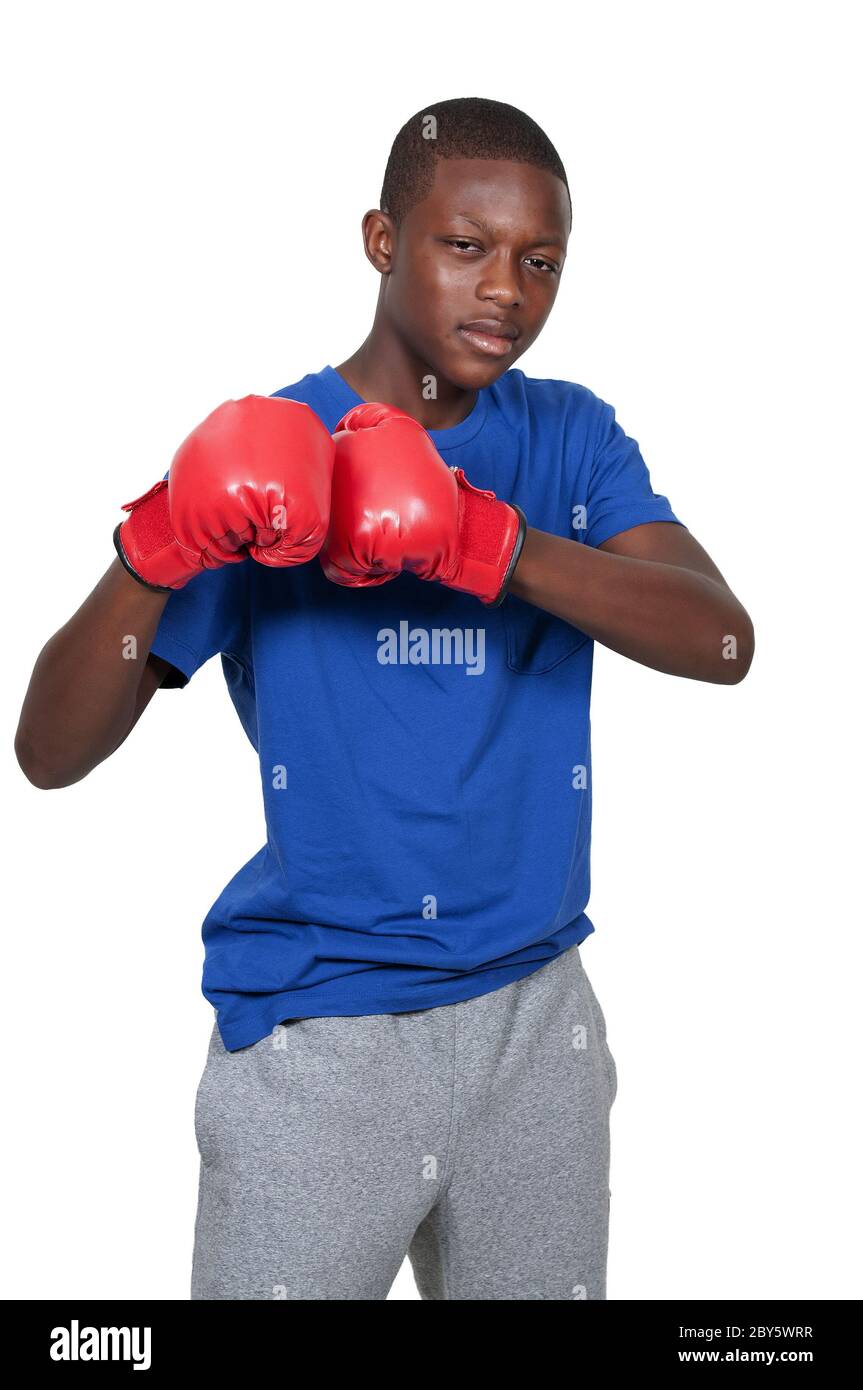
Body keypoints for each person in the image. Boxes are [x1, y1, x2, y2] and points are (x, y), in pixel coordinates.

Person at [15, 96, 754, 1301]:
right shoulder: (272, 455)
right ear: (381, 239)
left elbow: (721, 640)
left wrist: (487, 542)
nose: (506, 289)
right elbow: (47, 751)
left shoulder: (567, 439)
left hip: (535, 1020)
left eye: (540, 260)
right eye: (466, 246)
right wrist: (155, 544)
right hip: (324, 1034)